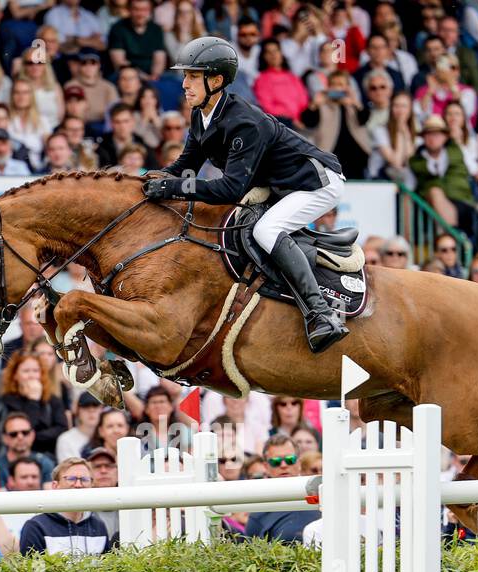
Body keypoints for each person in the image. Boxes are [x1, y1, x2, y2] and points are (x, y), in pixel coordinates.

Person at [142, 36, 349, 353]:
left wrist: (169, 188)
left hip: (315, 182)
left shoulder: (244, 123)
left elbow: (230, 188)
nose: (184, 84)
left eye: (192, 76)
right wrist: (148, 181)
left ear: (216, 80)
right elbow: (187, 165)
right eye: (185, 76)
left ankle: (321, 314)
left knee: (267, 229)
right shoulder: (202, 115)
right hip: (278, 183)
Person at [19, 457, 112, 555]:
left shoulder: (98, 526)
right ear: (55, 486)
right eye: (72, 479)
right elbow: (31, 569)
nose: (78, 485)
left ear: (92, 485)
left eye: (84, 479)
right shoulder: (36, 527)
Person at [243, 434, 318, 542]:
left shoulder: (321, 494)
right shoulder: (258, 513)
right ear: (266, 467)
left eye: (290, 460)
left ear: (299, 463)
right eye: (276, 462)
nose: (283, 465)